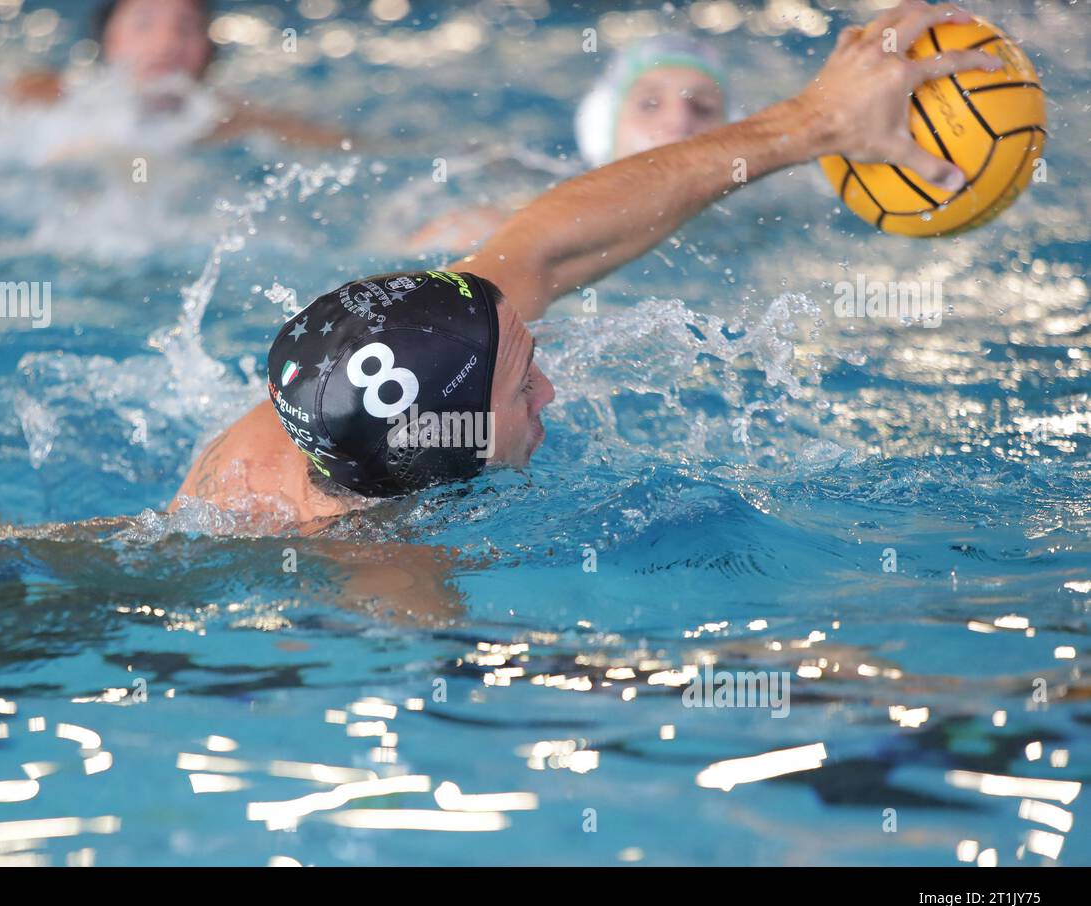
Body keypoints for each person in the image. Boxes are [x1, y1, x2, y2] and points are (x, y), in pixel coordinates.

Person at [174, 2, 999, 530]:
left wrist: (813, 123)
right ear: (445, 447)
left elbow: (545, 246)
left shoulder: (328, 410)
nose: (553, 392)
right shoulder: (392, 582)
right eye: (522, 382)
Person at [405, 32, 730, 253]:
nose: (679, 122)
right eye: (649, 104)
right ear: (604, 126)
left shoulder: (744, 231)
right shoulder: (511, 226)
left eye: (702, 108)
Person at [6, 0, 351, 150]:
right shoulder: (52, 94)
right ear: (110, 40)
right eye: (144, 24)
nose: (166, 42)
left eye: (185, 28)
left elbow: (337, 142)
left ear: (207, 53)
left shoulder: (227, 120)